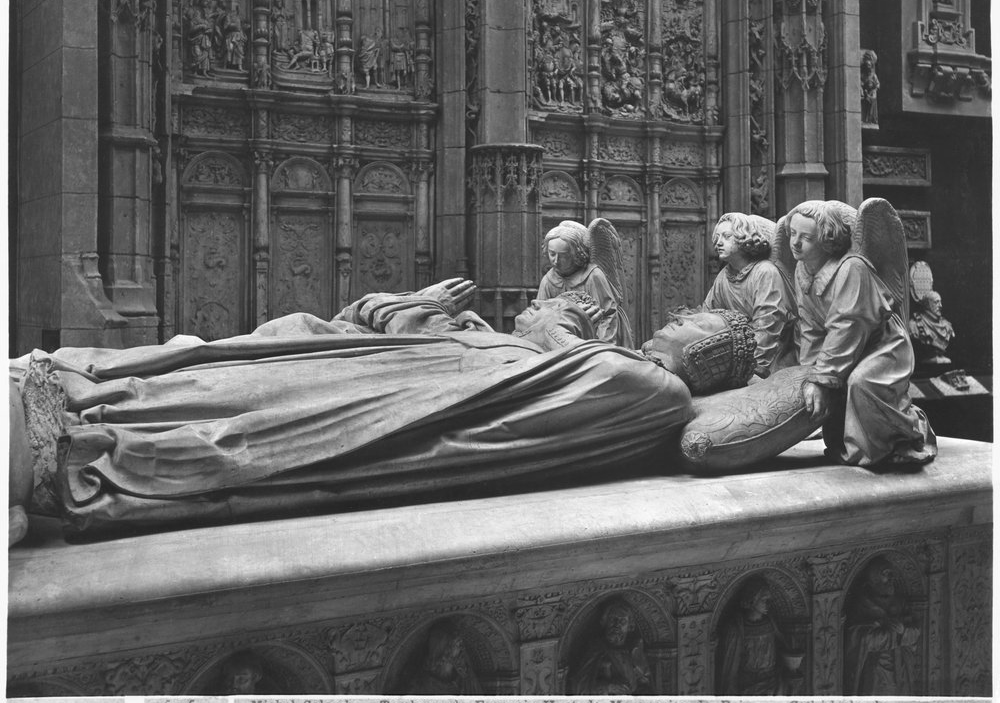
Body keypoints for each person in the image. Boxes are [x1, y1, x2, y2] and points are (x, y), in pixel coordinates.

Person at [11, 279, 755, 538]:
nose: (685, 311)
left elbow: (506, 383)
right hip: (416, 377)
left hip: (413, 406)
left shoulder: (654, 387)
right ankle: (72, 406)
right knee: (264, 354)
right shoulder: (614, 366)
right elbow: (505, 359)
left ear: (711, 354)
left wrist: (467, 332)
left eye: (698, 320)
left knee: (253, 411)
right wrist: (421, 311)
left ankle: (78, 438)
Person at [787, 200, 936, 467]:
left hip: (883, 347)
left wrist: (822, 380)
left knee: (860, 382)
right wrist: (808, 374)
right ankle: (853, 446)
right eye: (793, 234)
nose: (796, 243)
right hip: (846, 349)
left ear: (826, 238)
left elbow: (848, 325)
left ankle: (903, 437)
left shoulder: (852, 268)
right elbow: (810, 328)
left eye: (806, 237)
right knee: (834, 389)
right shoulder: (803, 271)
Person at [703, 212, 797, 378]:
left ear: (744, 238)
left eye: (726, 236)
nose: (718, 242)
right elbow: (706, 317)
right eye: (716, 237)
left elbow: (769, 325)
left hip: (775, 355)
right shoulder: (724, 276)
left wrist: (753, 368)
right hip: (741, 352)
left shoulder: (765, 272)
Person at [538, 221, 633, 348]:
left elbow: (608, 315)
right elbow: (539, 318)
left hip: (598, 339)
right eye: (552, 254)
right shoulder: (548, 280)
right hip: (562, 341)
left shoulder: (593, 276)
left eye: (564, 256)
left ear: (577, 253)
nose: (556, 260)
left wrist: (603, 348)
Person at [844, 558, 919, 695]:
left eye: (891, 574)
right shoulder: (862, 605)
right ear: (874, 578)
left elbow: (916, 633)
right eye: (886, 574)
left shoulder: (899, 604)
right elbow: (858, 640)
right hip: (876, 671)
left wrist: (903, 631)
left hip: (900, 670)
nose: (891, 578)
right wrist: (892, 633)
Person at [718, 577, 799, 695]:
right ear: (752, 599)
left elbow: (783, 646)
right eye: (764, 600)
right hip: (749, 686)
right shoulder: (737, 628)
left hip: (772, 683)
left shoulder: (770, 623)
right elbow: (730, 667)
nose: (768, 604)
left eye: (769, 600)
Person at [571, 600, 651, 695]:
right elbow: (578, 687)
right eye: (613, 619)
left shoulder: (634, 651)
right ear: (604, 621)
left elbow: (645, 684)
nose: (617, 625)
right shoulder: (595, 650)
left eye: (622, 621)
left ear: (630, 626)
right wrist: (608, 688)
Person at [401, 620, 481, 694]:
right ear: (445, 648)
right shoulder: (421, 684)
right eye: (457, 644)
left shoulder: (465, 679)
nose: (461, 648)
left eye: (460, 644)